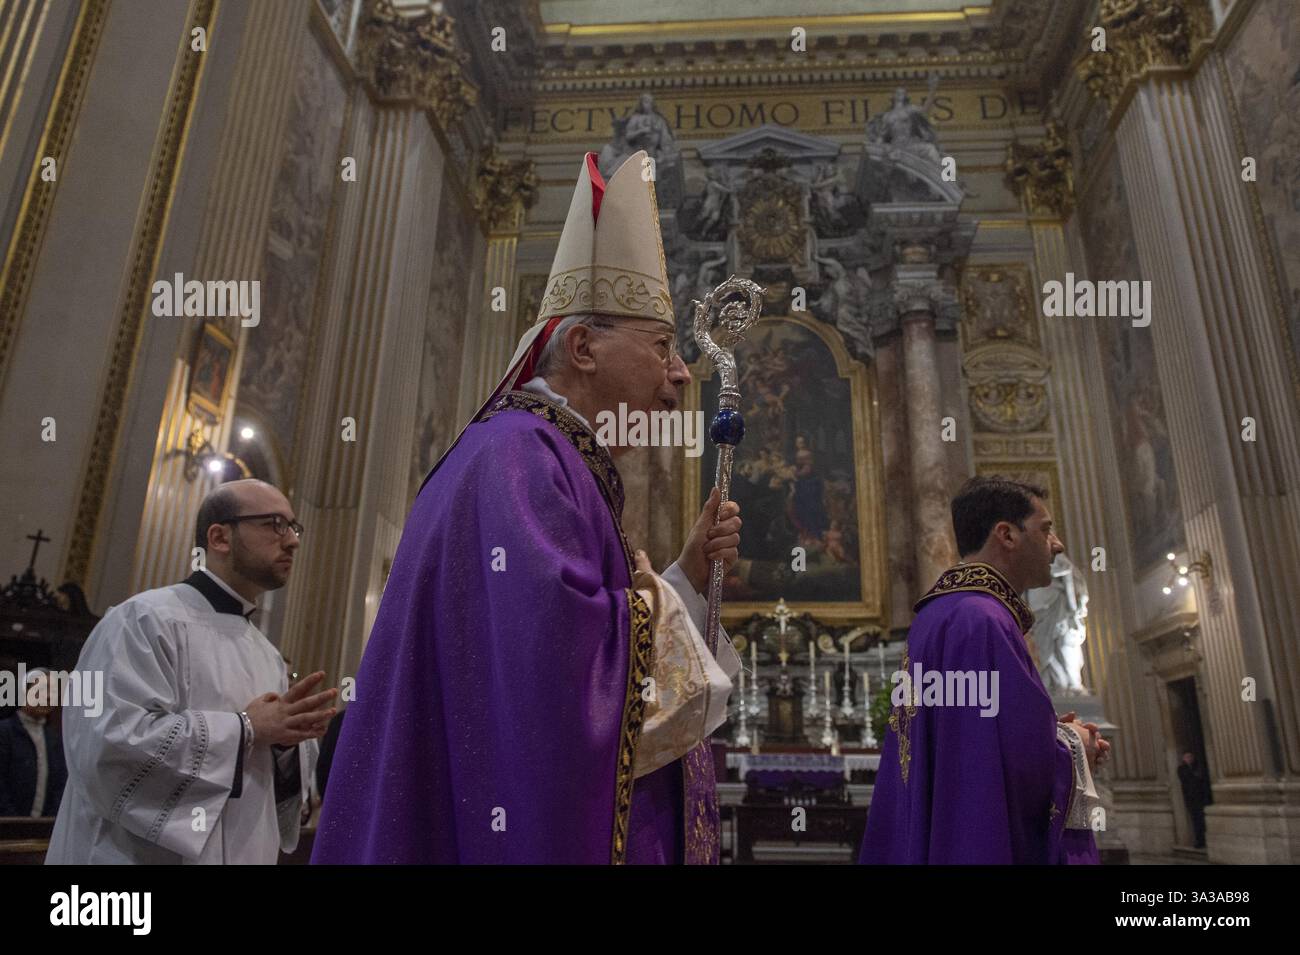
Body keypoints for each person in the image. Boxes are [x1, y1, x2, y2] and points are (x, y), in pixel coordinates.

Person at [313, 150, 743, 865]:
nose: (680, 374)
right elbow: (559, 674)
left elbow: (578, 631)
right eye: (663, 346)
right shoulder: (523, 459)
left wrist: (685, 578)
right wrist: (671, 598)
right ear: (582, 347)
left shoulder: (546, 456)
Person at [46, 479, 336, 864]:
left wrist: (286, 744)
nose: (292, 541)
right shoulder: (142, 620)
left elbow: (272, 788)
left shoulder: (267, 654)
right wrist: (246, 729)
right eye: (273, 524)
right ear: (219, 537)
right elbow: (107, 748)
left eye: (293, 527)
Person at [860, 475, 1109, 864]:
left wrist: (1054, 733)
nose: (1057, 545)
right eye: (1046, 530)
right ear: (1006, 535)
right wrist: (1077, 745)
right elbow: (1009, 767)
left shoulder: (941, 614)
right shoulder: (984, 619)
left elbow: (973, 739)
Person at [0, 668, 68, 816]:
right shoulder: (5, 732)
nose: (48, 696)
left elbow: (60, 785)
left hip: (43, 829)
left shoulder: (54, 739)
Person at [1176, 751, 1211, 849]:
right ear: (1183, 758)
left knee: (1202, 820)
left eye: (1190, 756)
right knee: (1196, 821)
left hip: (1201, 798)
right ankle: (1199, 840)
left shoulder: (1198, 767)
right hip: (1191, 799)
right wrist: (1194, 775)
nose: (1189, 758)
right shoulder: (1181, 769)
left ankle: (1204, 840)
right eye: (1187, 757)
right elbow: (1187, 779)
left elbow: (1201, 779)